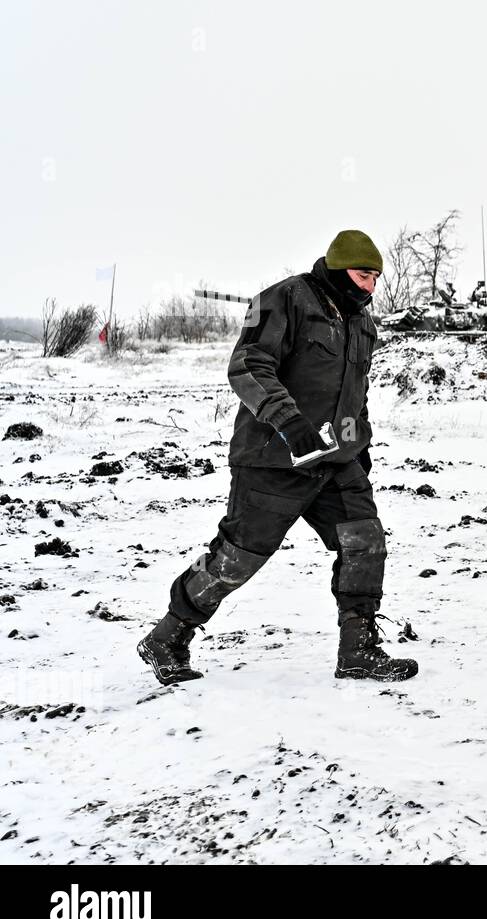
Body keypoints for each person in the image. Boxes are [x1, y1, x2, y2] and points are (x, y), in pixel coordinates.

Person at [137, 229, 417, 685]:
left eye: (375, 280)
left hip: (334, 462)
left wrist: (357, 448)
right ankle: (168, 637)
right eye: (363, 276)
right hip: (272, 459)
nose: (369, 287)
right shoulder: (284, 299)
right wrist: (291, 424)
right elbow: (248, 366)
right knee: (238, 556)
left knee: (364, 541)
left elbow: (355, 396)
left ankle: (358, 650)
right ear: (338, 265)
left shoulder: (363, 324)